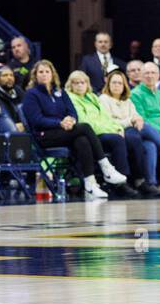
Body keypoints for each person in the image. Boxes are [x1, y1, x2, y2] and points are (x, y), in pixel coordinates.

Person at [23, 60, 130, 200]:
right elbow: (36, 119)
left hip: (63, 131)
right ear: (35, 75)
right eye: (40, 72)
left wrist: (71, 120)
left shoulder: (59, 92)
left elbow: (72, 112)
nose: (44, 75)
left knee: (82, 140)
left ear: (52, 74)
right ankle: (106, 167)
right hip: (44, 135)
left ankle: (91, 184)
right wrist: (60, 123)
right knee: (85, 127)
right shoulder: (32, 94)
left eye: (47, 72)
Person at [100, 68, 160, 197]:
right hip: (117, 133)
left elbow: (136, 115)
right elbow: (109, 121)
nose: (117, 86)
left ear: (124, 86)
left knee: (149, 145)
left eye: (119, 83)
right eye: (114, 83)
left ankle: (150, 182)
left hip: (131, 130)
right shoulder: (104, 99)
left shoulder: (127, 100)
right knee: (143, 128)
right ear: (108, 84)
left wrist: (137, 119)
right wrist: (132, 120)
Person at [64, 70, 138, 198]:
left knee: (126, 137)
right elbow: (84, 121)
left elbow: (106, 117)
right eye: (76, 83)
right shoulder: (71, 98)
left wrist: (117, 128)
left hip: (103, 130)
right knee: (116, 140)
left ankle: (127, 179)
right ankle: (119, 184)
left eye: (83, 82)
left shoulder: (92, 96)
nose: (80, 85)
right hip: (90, 134)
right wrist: (111, 130)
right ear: (71, 85)